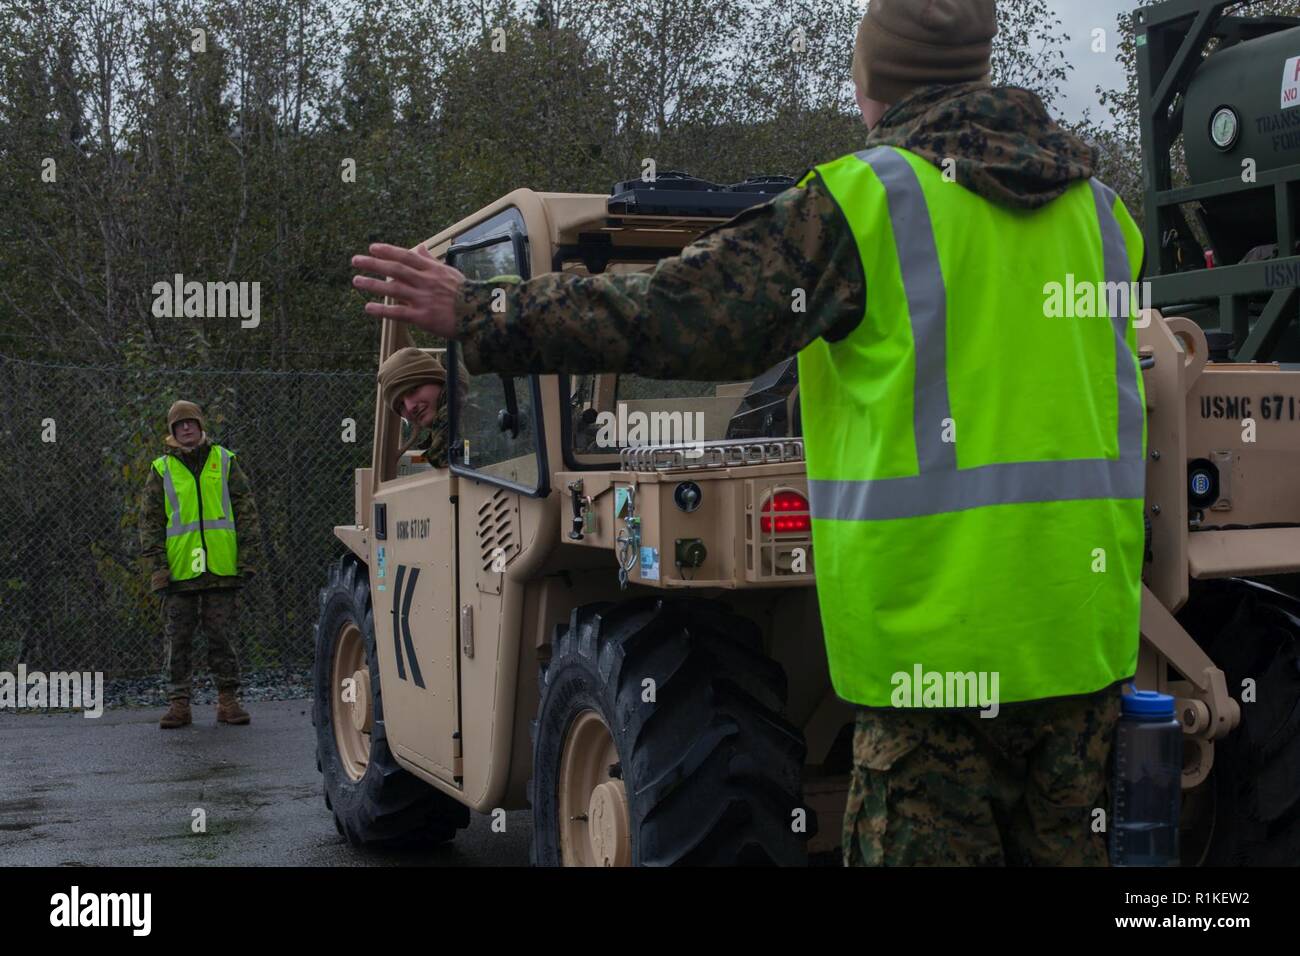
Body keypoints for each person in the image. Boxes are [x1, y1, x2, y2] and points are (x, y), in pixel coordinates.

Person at [350, 0, 1146, 866]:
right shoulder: (1102, 216)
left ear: (876, 80)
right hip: (1081, 650)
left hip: (936, 663)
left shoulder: (867, 201)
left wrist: (480, 310)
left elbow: (675, 312)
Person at [139, 400, 262, 729]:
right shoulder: (161, 469)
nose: (186, 428)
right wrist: (157, 567)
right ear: (172, 432)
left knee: (221, 635)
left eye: (191, 422)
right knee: (178, 637)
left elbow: (246, 510)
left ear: (200, 425)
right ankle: (179, 703)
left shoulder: (224, 461)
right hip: (180, 572)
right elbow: (150, 522)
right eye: (179, 425)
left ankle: (228, 701)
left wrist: (247, 557)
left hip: (222, 568)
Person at [377, 346, 450, 468]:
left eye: (413, 390)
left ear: (437, 379)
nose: (410, 407)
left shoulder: (458, 412)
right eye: (401, 405)